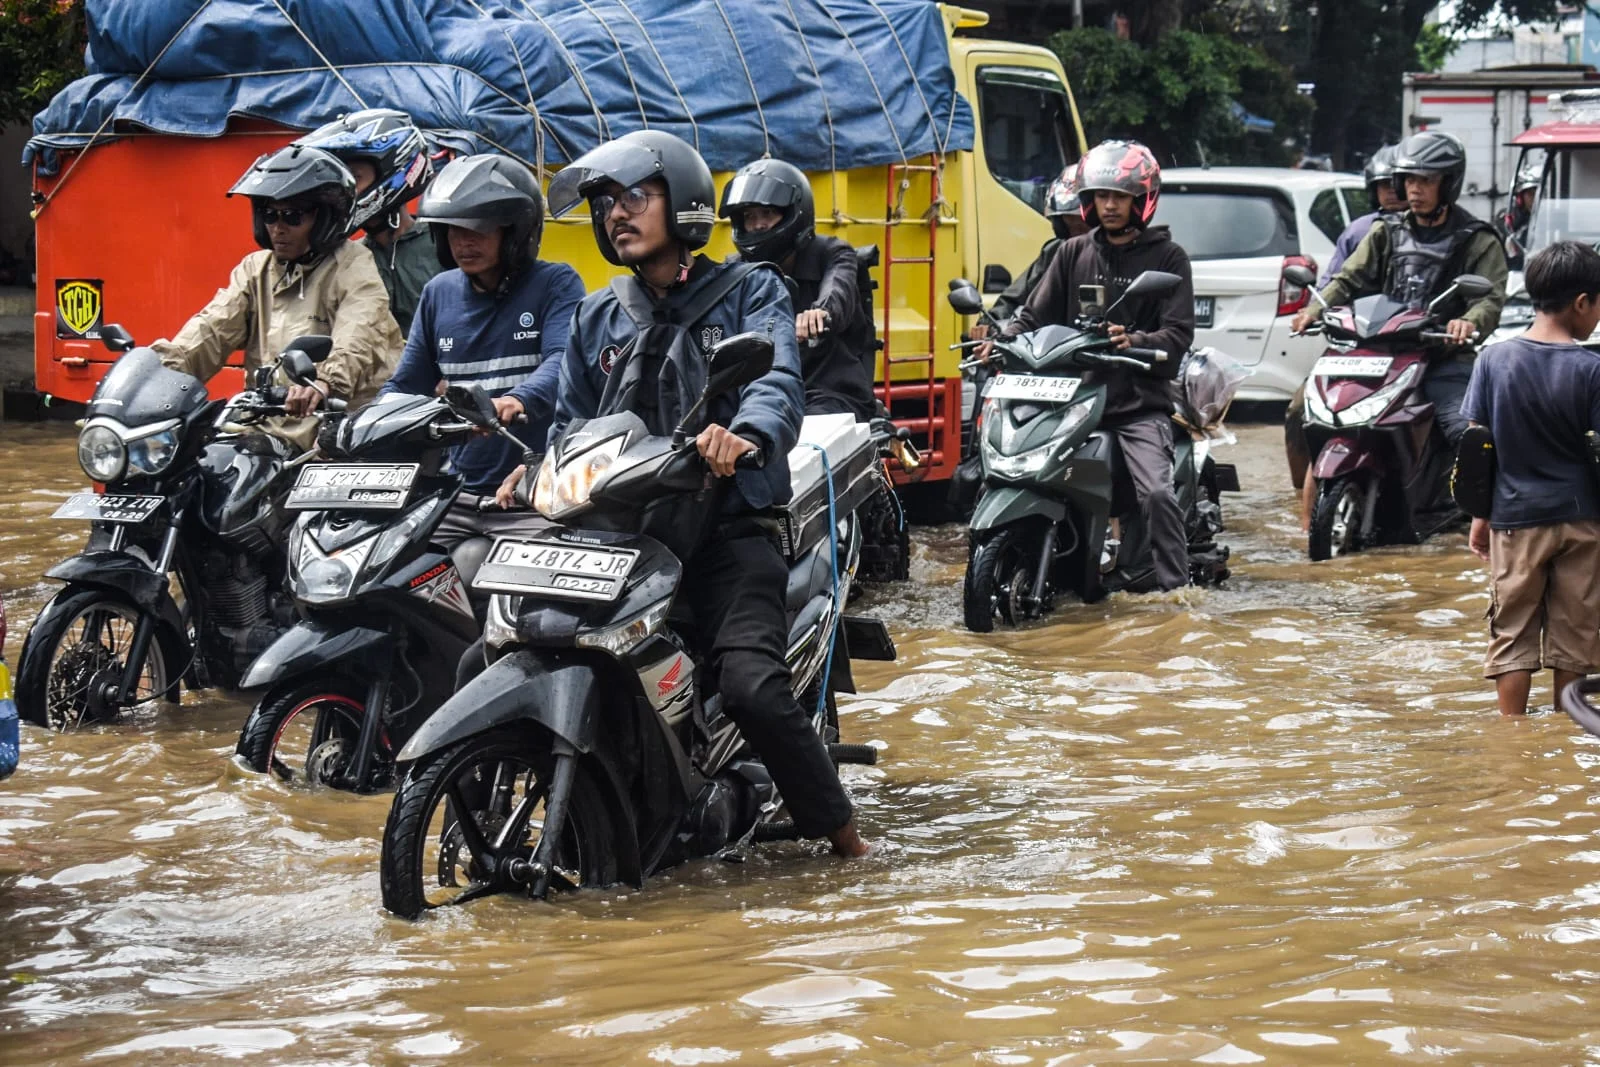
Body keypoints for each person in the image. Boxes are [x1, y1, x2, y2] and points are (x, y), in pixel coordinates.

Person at [501, 129, 869, 859]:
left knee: (751, 685)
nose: (616, 215)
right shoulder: (597, 315)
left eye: (636, 197)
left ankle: (847, 838)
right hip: (620, 539)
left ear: (688, 205)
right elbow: (574, 421)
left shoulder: (751, 291)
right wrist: (537, 470)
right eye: (606, 203)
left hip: (729, 532)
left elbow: (776, 379)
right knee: (501, 645)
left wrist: (746, 435)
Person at [992, 139, 1194, 592]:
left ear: (1141, 200)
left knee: (1157, 494)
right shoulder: (1072, 252)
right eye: (1101, 196)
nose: (1109, 206)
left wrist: (1135, 340)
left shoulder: (1169, 258)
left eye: (1119, 196)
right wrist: (1000, 339)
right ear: (1087, 200)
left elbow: (1179, 334)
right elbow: (1033, 315)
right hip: (1072, 398)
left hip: (1137, 403)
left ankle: (1176, 593)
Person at [381, 154, 584, 550]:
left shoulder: (555, 283)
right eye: (452, 228)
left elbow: (563, 362)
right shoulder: (438, 293)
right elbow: (406, 384)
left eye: (479, 227)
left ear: (517, 230)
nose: (463, 241)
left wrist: (517, 399)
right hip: (455, 496)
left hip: (532, 493)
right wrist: (362, 427)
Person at [150, 145, 402, 453]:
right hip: (268, 426)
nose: (277, 228)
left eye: (292, 217)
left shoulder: (352, 264)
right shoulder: (256, 270)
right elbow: (211, 330)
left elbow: (358, 331)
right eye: (270, 215)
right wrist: (157, 375)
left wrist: (324, 382)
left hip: (341, 428)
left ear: (324, 218)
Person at [1293, 130, 1508, 451]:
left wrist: (1469, 322)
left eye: (1426, 180)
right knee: (1305, 412)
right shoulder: (1386, 232)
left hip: (1443, 356)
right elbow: (1347, 278)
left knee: (1464, 430)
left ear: (1448, 184)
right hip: (1380, 351)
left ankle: (1474, 500)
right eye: (1408, 180)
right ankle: (1309, 497)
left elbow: (1489, 298)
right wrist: (1314, 310)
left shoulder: (1477, 238)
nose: (1415, 189)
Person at [1460, 240, 1600, 716]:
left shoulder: (1493, 360)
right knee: (1577, 634)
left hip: (1515, 520)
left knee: (1512, 629)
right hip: (1583, 522)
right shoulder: (1592, 369)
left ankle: (1511, 733)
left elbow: (1479, 449)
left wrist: (1481, 517)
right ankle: (1569, 730)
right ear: (1582, 302)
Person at [719, 158, 876, 419]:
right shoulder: (736, 270)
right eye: (749, 216)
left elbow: (838, 289)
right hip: (761, 396)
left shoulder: (832, 254)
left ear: (795, 211)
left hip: (826, 391)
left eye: (767, 213)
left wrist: (820, 313)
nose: (758, 224)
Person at [296, 109, 440, 336]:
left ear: (391, 169)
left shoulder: (444, 244)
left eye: (355, 178)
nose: (344, 190)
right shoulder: (345, 259)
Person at [973, 165, 1081, 334]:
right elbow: (1015, 298)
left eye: (1083, 226)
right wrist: (989, 324)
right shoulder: (1055, 251)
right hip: (1051, 349)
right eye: (1069, 223)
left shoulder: (1119, 256)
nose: (1076, 235)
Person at [1320, 146, 1404, 284]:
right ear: (1374, 189)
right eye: (1385, 185)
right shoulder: (1358, 231)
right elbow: (1333, 280)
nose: (1392, 191)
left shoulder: (1430, 228)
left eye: (1398, 185)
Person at [1501, 168, 1540, 271]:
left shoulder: (1547, 221)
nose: (1535, 199)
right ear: (1520, 197)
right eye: (1531, 194)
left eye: (1538, 194)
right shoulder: (1508, 223)